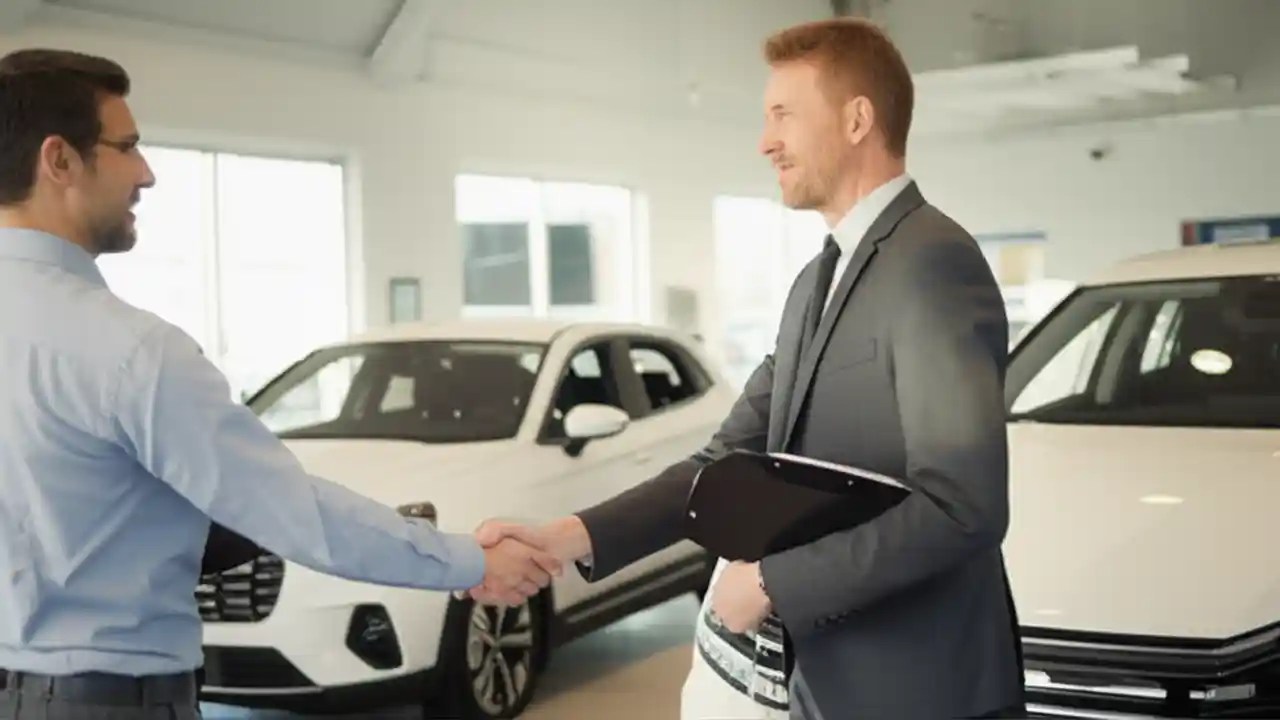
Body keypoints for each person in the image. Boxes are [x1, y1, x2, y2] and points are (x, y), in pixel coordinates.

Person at [474, 17, 1026, 720]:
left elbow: (963, 508)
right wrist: (564, 538)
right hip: (830, 684)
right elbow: (722, 461)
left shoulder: (932, 264)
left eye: (783, 115)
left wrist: (773, 582)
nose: (765, 141)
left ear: (857, 119)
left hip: (925, 692)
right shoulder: (814, 285)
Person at [0, 49, 560, 720]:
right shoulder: (129, 352)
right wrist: (469, 560)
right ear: (59, 160)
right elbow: (289, 509)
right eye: (128, 147)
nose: (146, 173)